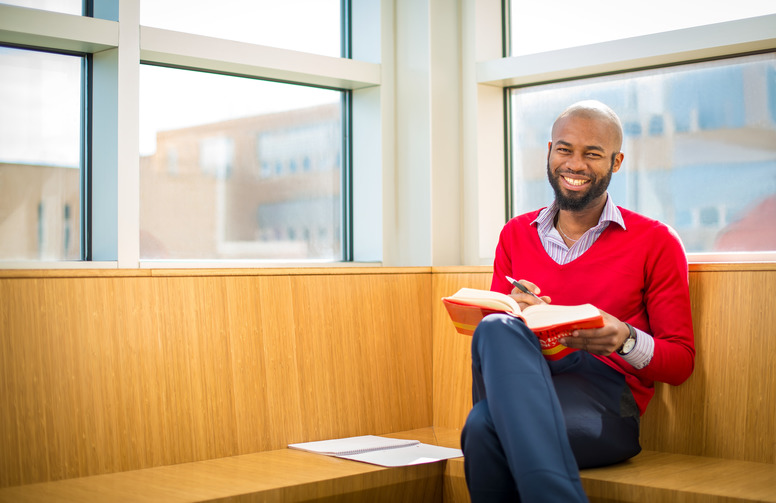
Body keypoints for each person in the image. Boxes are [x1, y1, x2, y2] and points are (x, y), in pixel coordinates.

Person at [460, 100, 695, 502]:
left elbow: (680, 363)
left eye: (593, 154)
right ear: (549, 152)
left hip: (603, 400)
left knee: (483, 428)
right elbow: (495, 349)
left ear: (616, 162)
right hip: (523, 380)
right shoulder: (516, 234)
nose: (575, 164)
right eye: (565, 150)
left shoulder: (656, 241)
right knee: (496, 326)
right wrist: (516, 313)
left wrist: (625, 339)